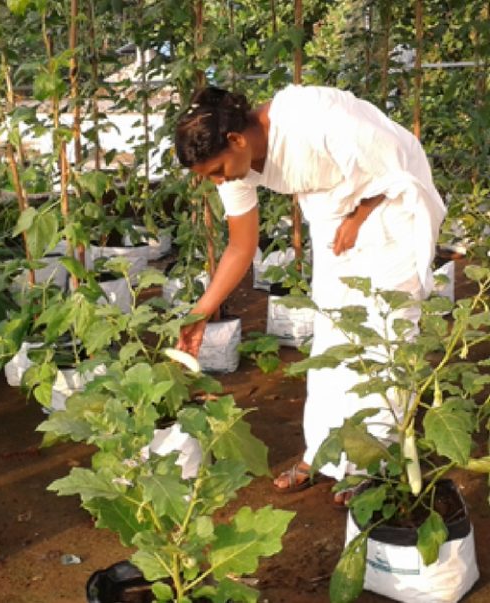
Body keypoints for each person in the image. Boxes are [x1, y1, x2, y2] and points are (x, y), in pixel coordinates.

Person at [173, 85, 445, 501]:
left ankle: (376, 465)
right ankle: (325, 452)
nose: (217, 181)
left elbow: (394, 158)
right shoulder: (236, 165)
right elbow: (240, 246)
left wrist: (362, 212)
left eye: (216, 172)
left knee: (385, 338)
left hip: (390, 206)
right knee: (332, 338)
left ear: (236, 140)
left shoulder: (312, 117)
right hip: (334, 214)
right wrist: (201, 313)